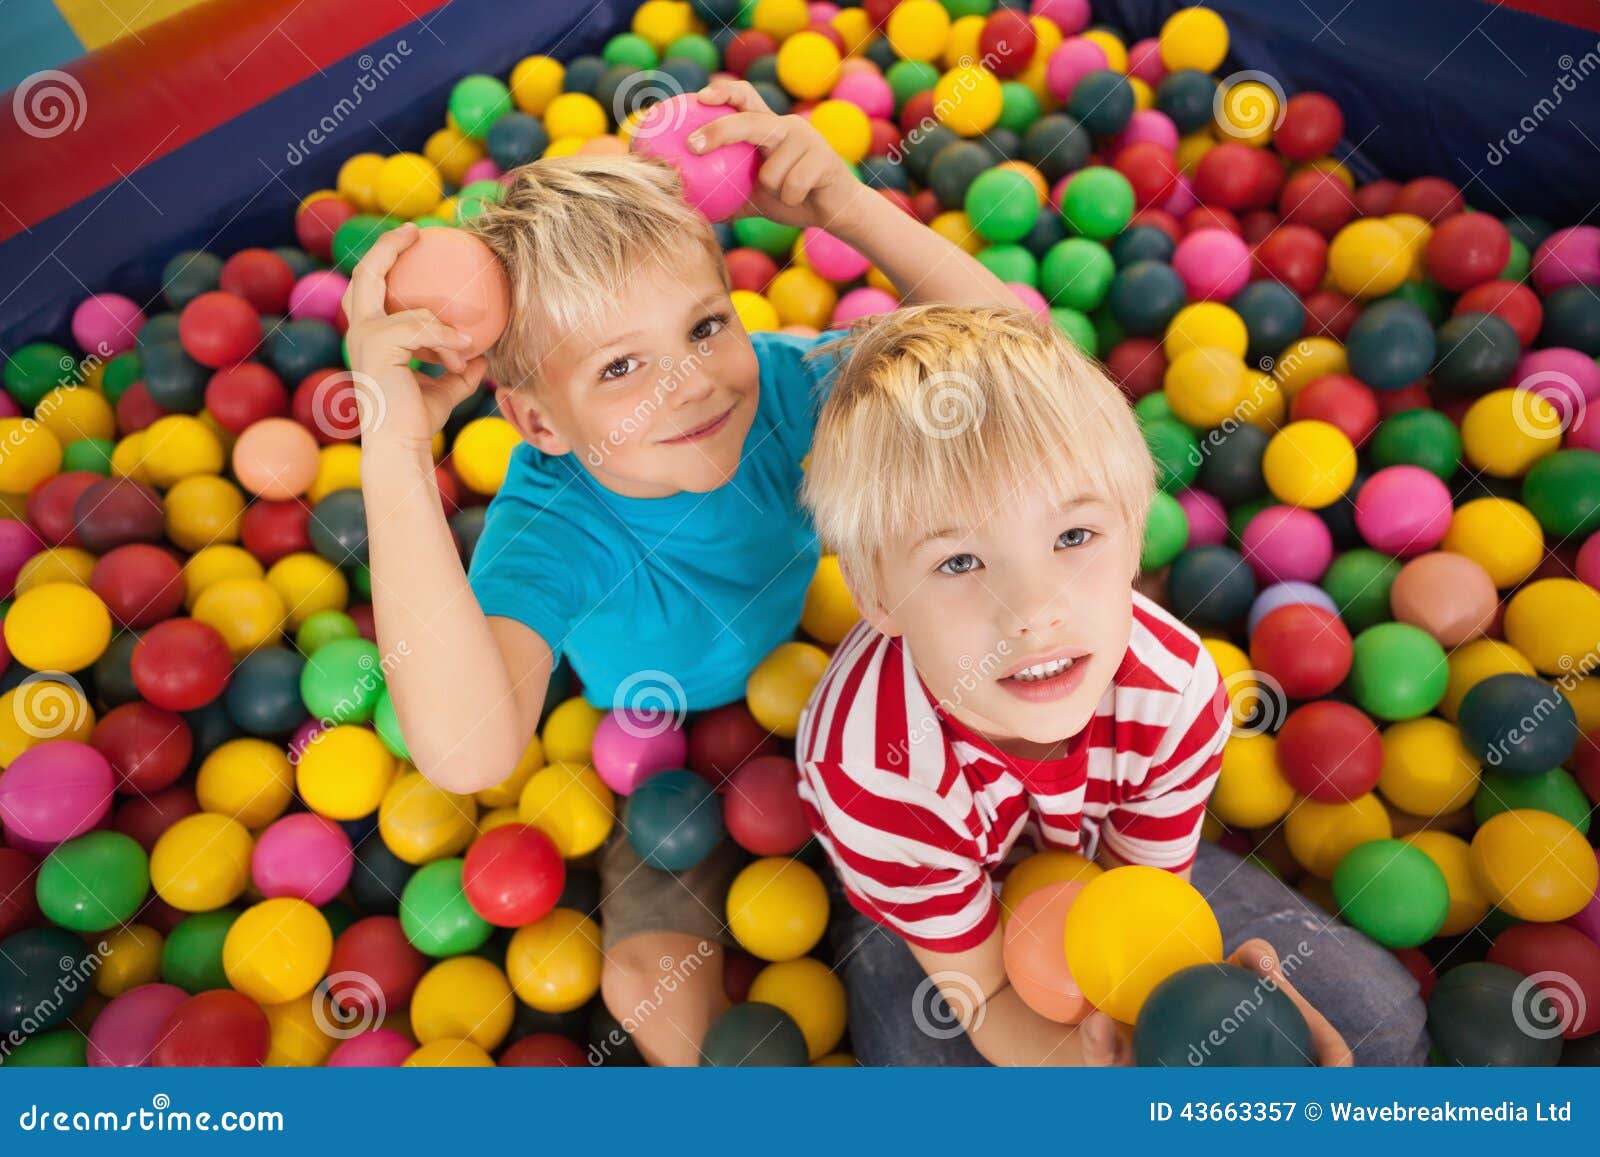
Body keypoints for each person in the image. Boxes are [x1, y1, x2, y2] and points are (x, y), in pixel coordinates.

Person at [342, 79, 1018, 1066]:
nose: (692, 382)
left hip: (828, 675)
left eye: (704, 327)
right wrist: (395, 449)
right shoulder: (548, 523)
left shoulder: (787, 389)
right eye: (619, 369)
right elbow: (469, 753)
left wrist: (845, 203)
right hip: (648, 748)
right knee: (636, 979)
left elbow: (1010, 366)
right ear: (536, 423)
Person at [794, 305, 1429, 1066]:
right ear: (877, 594)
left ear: (1135, 536)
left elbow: (1138, 907)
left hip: (1103, 870)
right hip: (935, 917)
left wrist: (1180, 1035)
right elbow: (987, 995)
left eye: (1073, 536)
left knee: (1379, 1025)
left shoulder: (1178, 692)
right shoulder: (873, 768)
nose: (1033, 611)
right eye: (959, 562)